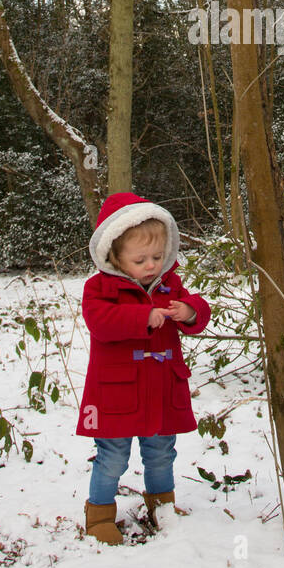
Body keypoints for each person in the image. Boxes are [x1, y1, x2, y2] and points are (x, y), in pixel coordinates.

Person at [76, 191, 211, 545]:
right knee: (113, 455)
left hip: (161, 389)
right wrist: (141, 317)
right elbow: (100, 322)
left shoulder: (169, 285)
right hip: (117, 393)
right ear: (115, 257)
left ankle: (161, 507)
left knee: (161, 451)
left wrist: (190, 310)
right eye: (140, 259)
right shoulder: (99, 289)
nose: (151, 265)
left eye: (156, 256)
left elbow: (198, 308)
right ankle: (100, 514)